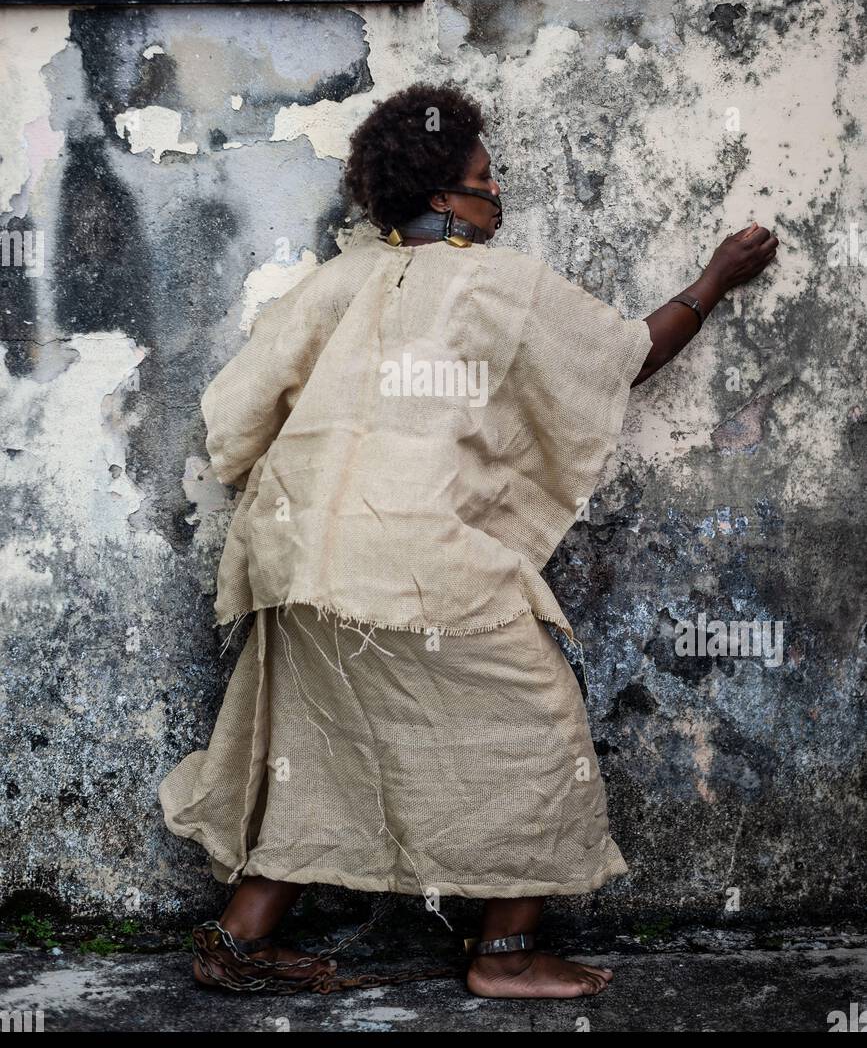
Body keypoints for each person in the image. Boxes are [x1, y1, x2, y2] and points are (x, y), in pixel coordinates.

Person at [158, 82, 777, 1000]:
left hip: (293, 559)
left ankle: (240, 941)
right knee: (538, 731)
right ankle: (506, 957)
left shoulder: (331, 286)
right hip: (416, 561)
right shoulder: (499, 284)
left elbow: (235, 420)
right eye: (485, 180)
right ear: (444, 198)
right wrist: (713, 280)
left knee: (318, 743)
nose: (498, 196)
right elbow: (624, 356)